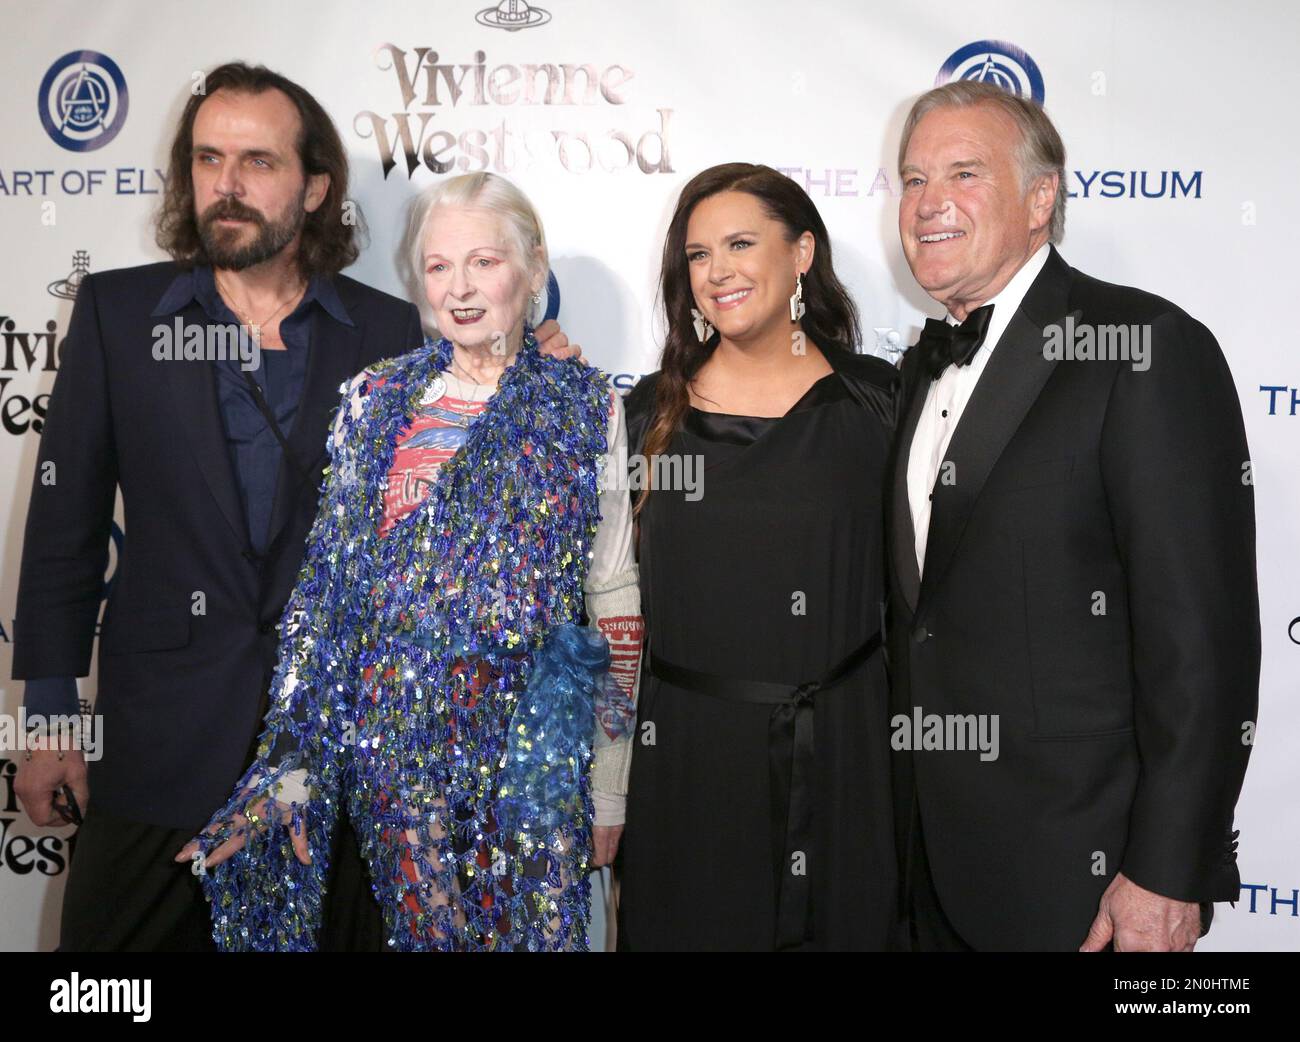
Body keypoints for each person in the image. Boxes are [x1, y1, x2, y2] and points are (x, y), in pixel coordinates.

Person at [11, 61, 578, 952]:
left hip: (331, 765)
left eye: (258, 162)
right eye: (208, 159)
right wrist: (48, 722)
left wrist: (528, 373)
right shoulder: (119, 315)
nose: (226, 185)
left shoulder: (386, 331)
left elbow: (451, 502)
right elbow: (63, 535)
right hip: (159, 748)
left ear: (315, 188)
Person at [177, 172, 642, 952]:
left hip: (533, 754)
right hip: (397, 754)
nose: (459, 288)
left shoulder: (587, 403)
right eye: (438, 266)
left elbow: (613, 590)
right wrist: (288, 774)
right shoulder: (373, 400)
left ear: (533, 267)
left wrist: (611, 784)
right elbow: (327, 607)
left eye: (484, 262)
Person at [888, 81, 1258, 952]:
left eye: (964, 173)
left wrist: (1169, 867)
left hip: (1085, 879)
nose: (930, 202)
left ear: (1040, 199)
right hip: (922, 869)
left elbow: (1201, 643)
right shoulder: (914, 373)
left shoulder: (1143, 347)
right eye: (912, 179)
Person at [617, 163, 899, 951]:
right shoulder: (645, 415)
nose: (718, 272)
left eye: (740, 244)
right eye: (698, 255)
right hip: (688, 765)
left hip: (844, 757)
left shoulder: (881, 401)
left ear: (802, 252)